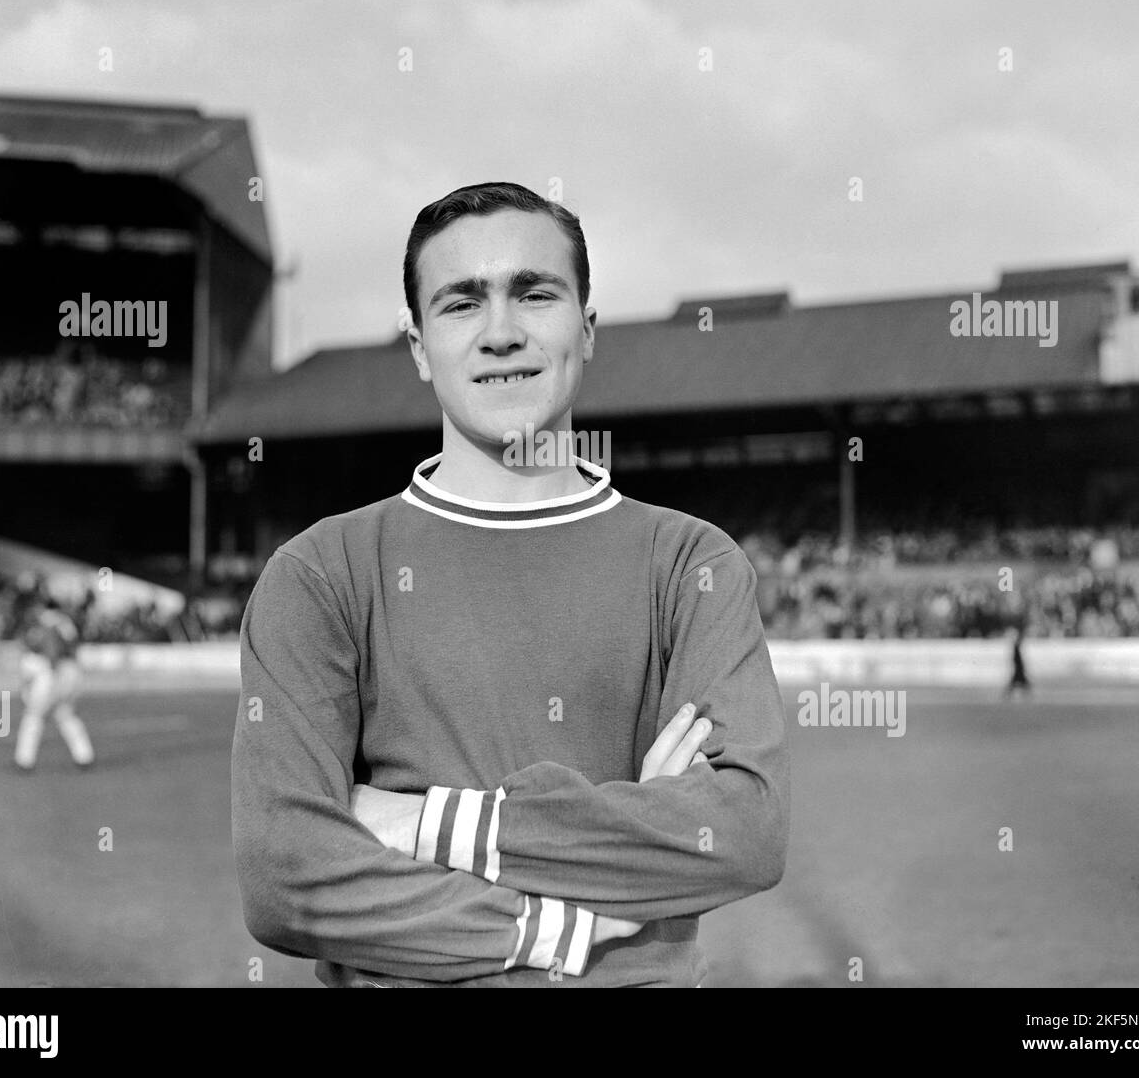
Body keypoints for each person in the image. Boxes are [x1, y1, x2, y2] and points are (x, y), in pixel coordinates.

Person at [231, 183, 790, 987]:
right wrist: (572, 916)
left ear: (586, 328)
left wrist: (425, 822)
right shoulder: (319, 575)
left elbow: (745, 831)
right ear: (420, 346)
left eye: (534, 293)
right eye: (462, 303)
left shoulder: (690, 563)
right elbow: (285, 877)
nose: (502, 332)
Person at [13, 598, 95, 771]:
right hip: (72, 671)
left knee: (33, 715)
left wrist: (51, 672)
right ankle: (84, 755)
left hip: (54, 672)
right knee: (65, 713)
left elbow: (52, 649)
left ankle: (24, 759)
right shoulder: (67, 623)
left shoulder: (48, 622)